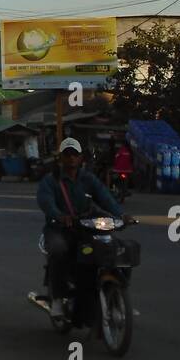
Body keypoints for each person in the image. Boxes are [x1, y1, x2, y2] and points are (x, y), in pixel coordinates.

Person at [35, 138, 123, 322]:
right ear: (61, 158)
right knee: (59, 251)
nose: (71, 158)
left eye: (75, 154)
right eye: (67, 154)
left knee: (114, 247)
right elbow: (46, 202)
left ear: (80, 157)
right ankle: (58, 299)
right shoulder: (51, 181)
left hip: (86, 225)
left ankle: (114, 296)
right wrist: (60, 216)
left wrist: (121, 215)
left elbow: (105, 198)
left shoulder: (88, 178)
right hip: (59, 227)